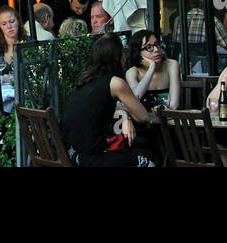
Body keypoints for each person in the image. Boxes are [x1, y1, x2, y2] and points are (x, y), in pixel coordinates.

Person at [62, 33, 156, 166]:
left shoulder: (84, 79)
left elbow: (99, 108)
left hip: (71, 153)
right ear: (116, 56)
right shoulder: (115, 83)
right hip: (90, 157)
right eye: (122, 53)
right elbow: (143, 116)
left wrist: (125, 115)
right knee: (147, 164)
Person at [125, 29, 181, 111]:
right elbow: (136, 97)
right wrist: (151, 68)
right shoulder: (133, 72)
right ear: (138, 52)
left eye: (157, 44)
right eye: (149, 47)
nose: (156, 50)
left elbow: (174, 105)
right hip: (144, 120)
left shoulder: (171, 65)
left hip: (168, 120)